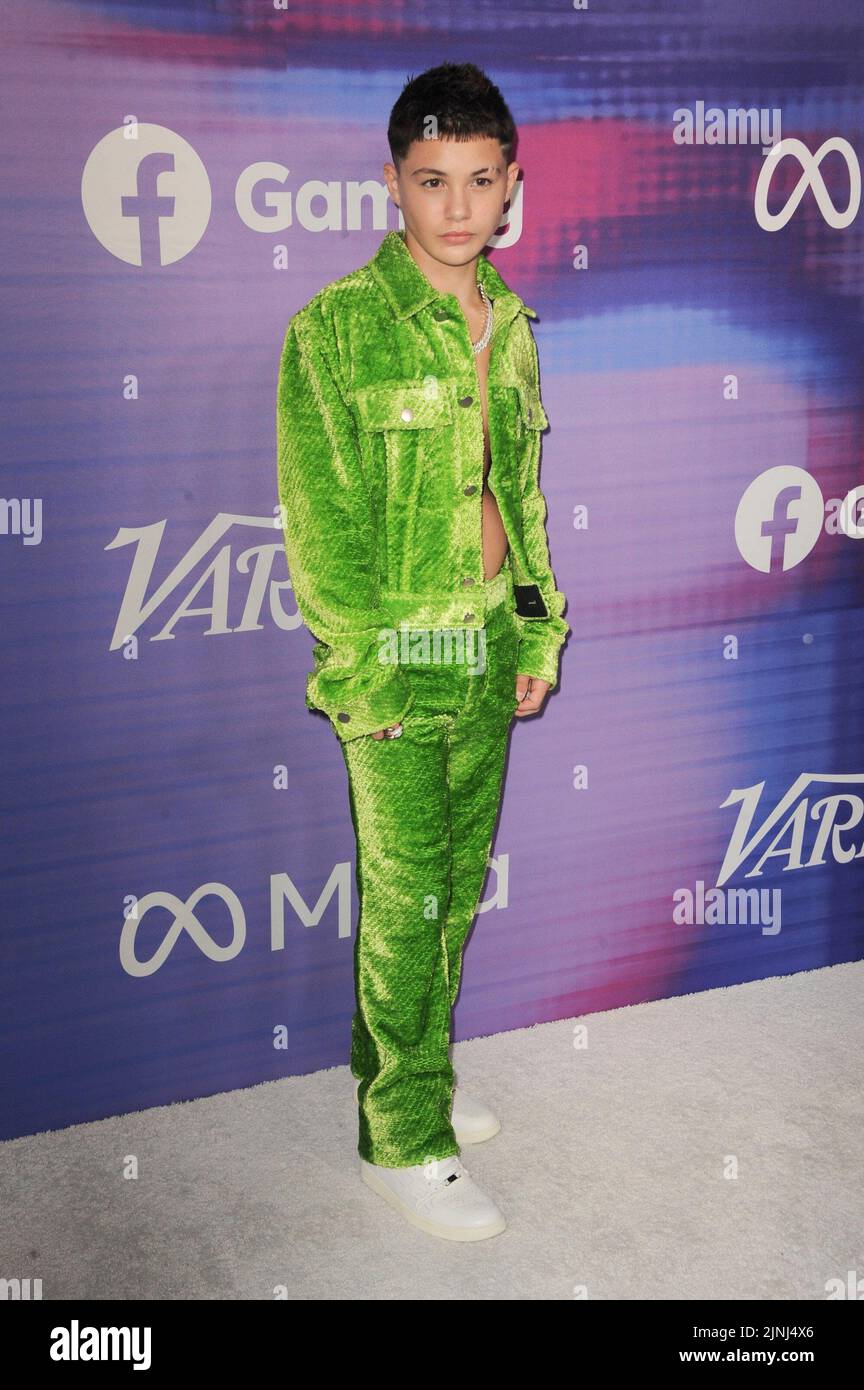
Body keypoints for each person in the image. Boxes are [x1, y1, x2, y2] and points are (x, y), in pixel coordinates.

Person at [276, 61, 569, 1241]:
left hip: (492, 636)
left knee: (450, 892)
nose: (458, 205)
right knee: (404, 898)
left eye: (480, 180)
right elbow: (325, 531)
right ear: (392, 181)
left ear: (510, 187)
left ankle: (417, 1069)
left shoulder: (514, 325)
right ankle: (401, 1138)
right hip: (400, 657)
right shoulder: (334, 332)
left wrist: (538, 624)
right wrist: (367, 682)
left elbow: (524, 491)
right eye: (431, 179)